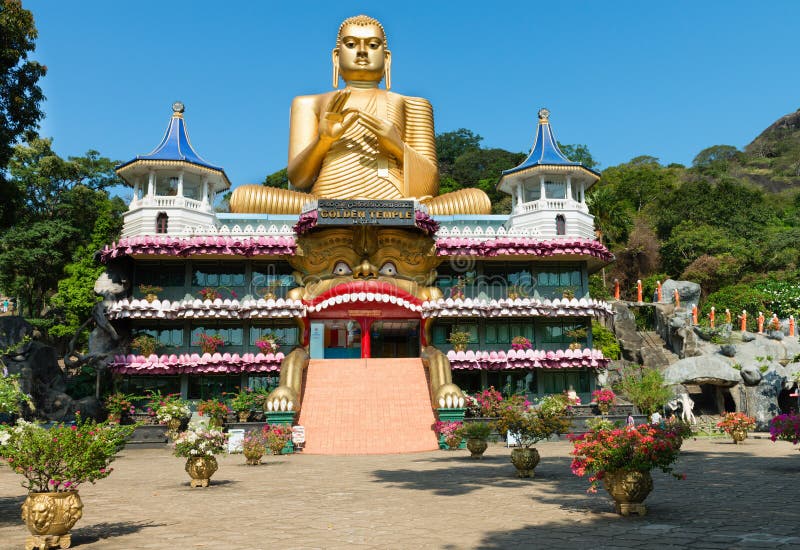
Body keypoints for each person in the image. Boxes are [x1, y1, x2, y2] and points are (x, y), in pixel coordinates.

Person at [230, 14, 490, 216]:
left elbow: (429, 187)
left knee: (477, 201)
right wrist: (323, 140)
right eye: (352, 44)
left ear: (387, 59)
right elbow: (298, 178)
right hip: (325, 203)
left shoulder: (412, 104)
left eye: (373, 45)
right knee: (244, 197)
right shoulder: (309, 103)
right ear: (336, 56)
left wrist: (398, 147)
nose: (363, 52)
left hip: (398, 204)